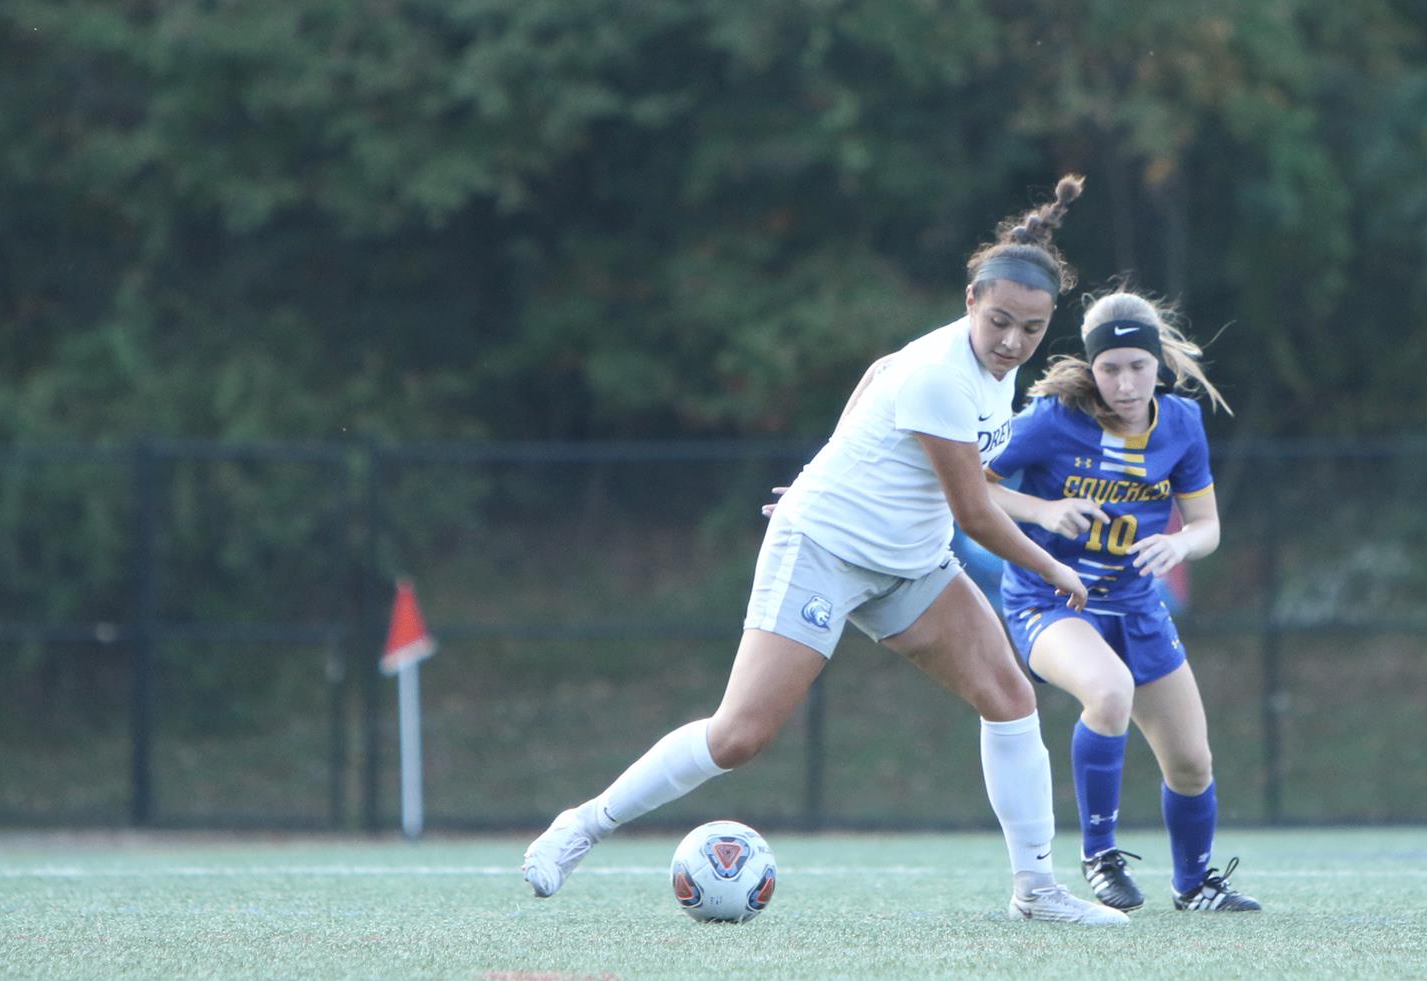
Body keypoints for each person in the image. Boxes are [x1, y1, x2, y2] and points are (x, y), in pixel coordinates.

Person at [522, 176, 1129, 924]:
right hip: (826, 549)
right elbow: (974, 512)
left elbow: (875, 375)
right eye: (999, 321)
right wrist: (1053, 566)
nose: (1012, 342)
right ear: (970, 299)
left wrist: (827, 464)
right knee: (739, 736)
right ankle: (582, 825)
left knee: (1009, 699)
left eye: (1031, 329)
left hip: (909, 563)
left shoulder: (987, 372)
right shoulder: (940, 376)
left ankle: (1036, 891)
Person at [985, 288, 1260, 913]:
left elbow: (1207, 527)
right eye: (1110, 368)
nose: (1126, 383)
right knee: (1109, 693)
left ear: (1158, 363)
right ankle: (1100, 857)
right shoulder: (1053, 419)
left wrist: (1180, 544)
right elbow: (972, 486)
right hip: (1050, 598)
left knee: (1191, 763)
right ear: (1092, 367)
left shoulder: (1181, 423)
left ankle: (1194, 885)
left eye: (1138, 366)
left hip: (1135, 605)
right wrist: (1043, 510)